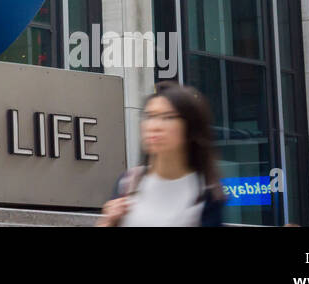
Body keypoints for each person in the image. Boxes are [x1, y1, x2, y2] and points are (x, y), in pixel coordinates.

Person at [97, 82, 226, 227]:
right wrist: (108, 221)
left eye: (168, 117)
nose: (155, 126)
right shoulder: (128, 183)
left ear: (190, 128)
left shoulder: (205, 193)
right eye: (150, 116)